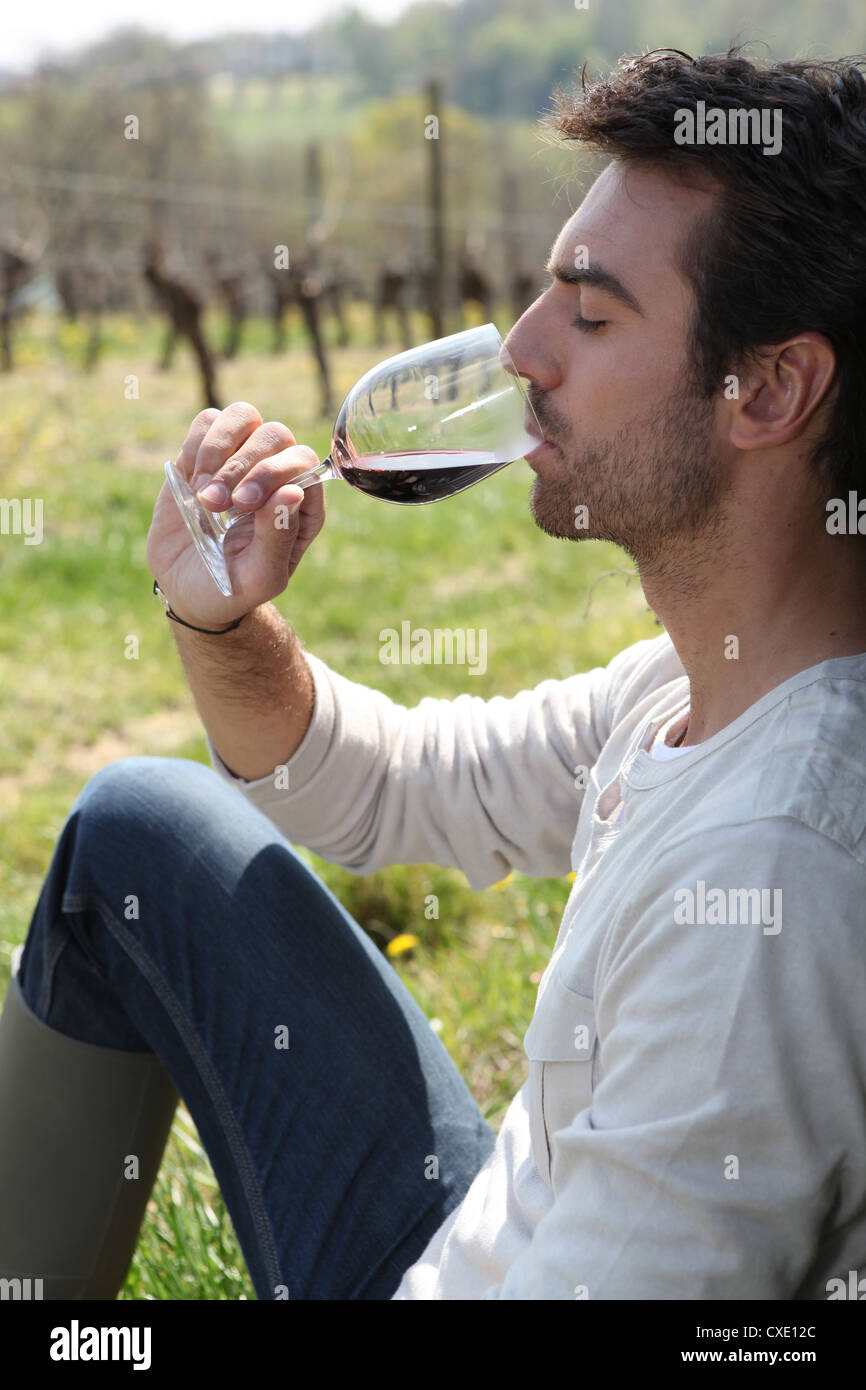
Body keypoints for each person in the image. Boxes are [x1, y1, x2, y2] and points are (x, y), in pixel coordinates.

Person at [3, 45, 866, 1301]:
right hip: (501, 1229)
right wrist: (220, 622)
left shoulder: (772, 878)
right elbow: (404, 784)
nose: (520, 350)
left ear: (770, 387)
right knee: (134, 831)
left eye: (589, 309)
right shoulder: (695, 690)